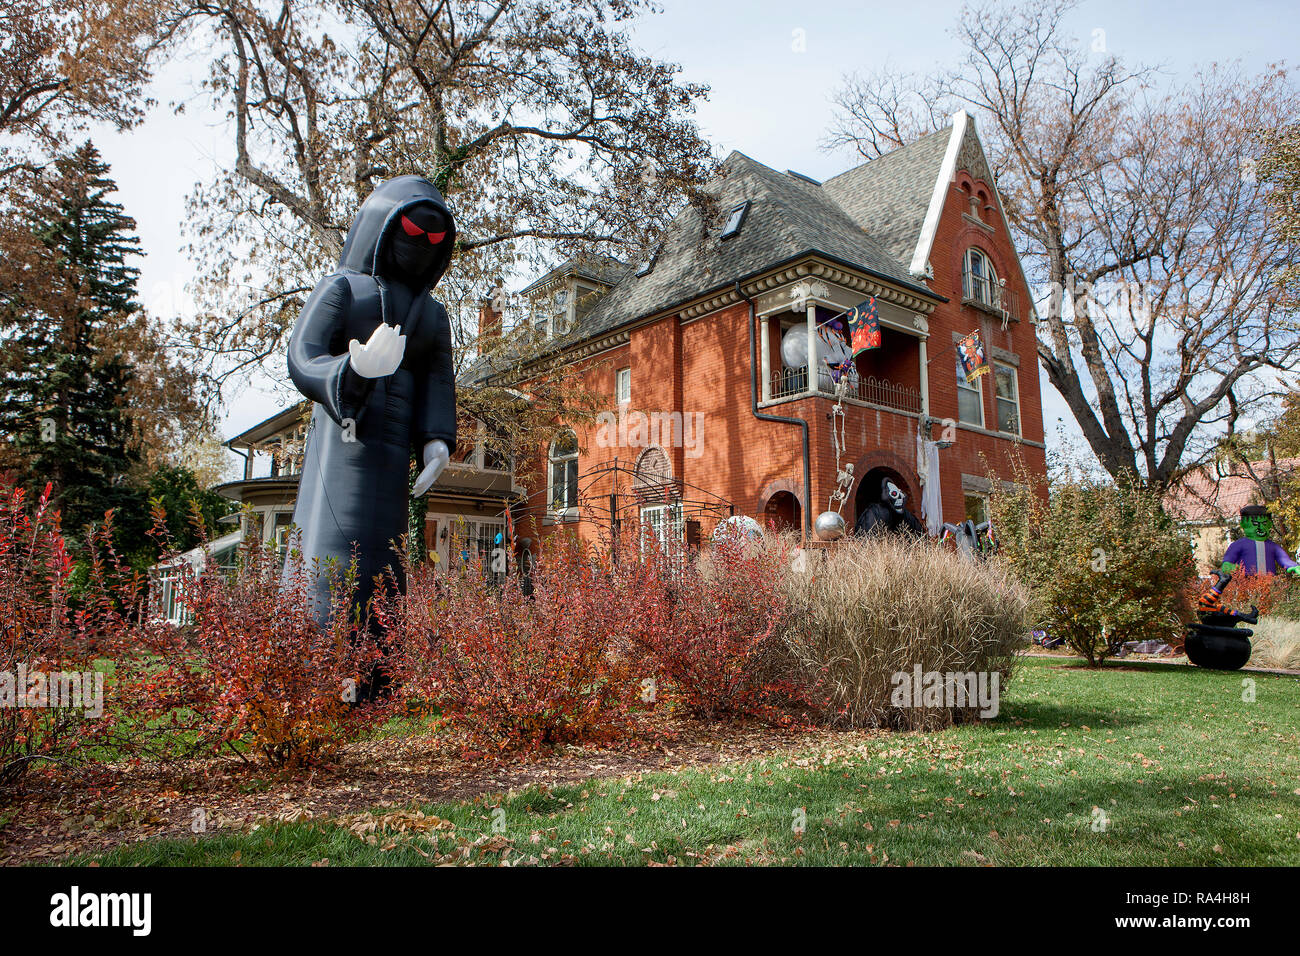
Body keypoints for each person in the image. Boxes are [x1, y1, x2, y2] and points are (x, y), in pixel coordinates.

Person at [284, 175, 457, 648]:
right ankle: (319, 654)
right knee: (331, 547)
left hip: (394, 449)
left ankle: (381, 663)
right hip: (346, 439)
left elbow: (438, 378)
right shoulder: (342, 288)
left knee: (386, 553)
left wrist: (436, 439)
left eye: (435, 240)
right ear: (383, 226)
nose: (422, 245)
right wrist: (350, 370)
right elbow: (302, 355)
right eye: (414, 232)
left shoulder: (433, 315)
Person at [1220, 505, 1299, 576]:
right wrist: (1229, 567)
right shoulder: (1239, 545)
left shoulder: (1273, 547)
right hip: (1247, 584)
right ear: (1243, 524)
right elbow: (1228, 562)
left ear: (1269, 524)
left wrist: (1294, 566)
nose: (1260, 527)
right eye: (1255, 523)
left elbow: (1284, 559)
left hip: (1269, 584)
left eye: (1264, 523)